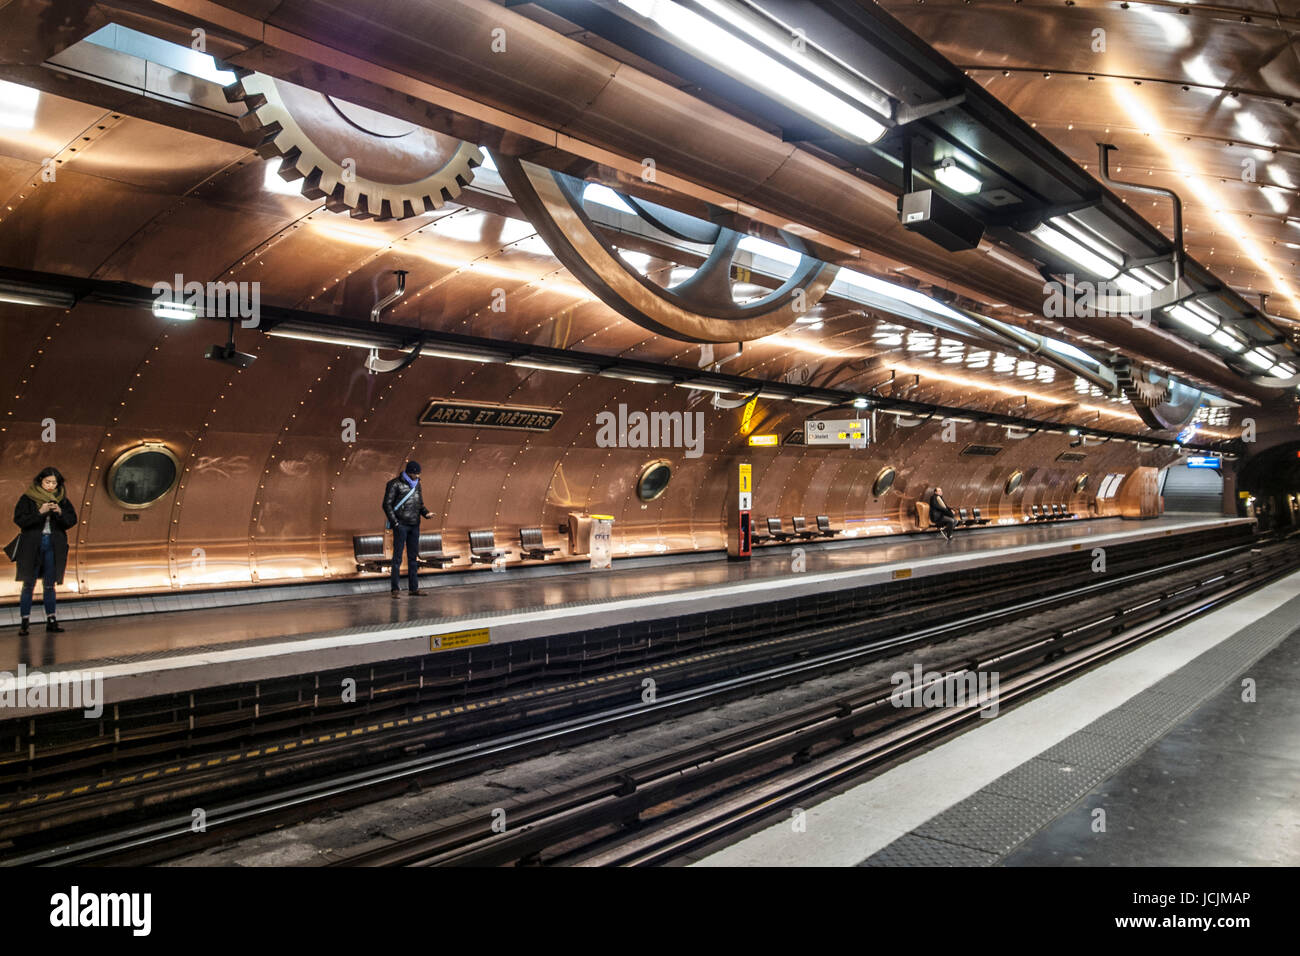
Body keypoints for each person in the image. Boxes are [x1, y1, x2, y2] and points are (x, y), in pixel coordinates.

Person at [12, 467, 78, 635]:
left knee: (50, 584)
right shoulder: (28, 498)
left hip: (53, 544)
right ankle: (24, 621)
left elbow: (71, 520)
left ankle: (51, 619)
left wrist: (59, 513)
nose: (50, 486)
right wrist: (40, 512)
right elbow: (20, 520)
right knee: (28, 583)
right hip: (32, 544)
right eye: (47, 482)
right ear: (40, 482)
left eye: (54, 483)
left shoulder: (62, 499)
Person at [383, 460, 433, 596]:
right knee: (397, 558)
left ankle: (413, 588)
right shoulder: (394, 484)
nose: (417, 476)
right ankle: (395, 589)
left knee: (413, 558)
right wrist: (396, 524)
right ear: (409, 472)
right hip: (401, 525)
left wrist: (426, 513)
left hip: (414, 525)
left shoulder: (417, 485)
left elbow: (420, 504)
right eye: (415, 474)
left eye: (418, 474)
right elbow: (386, 505)